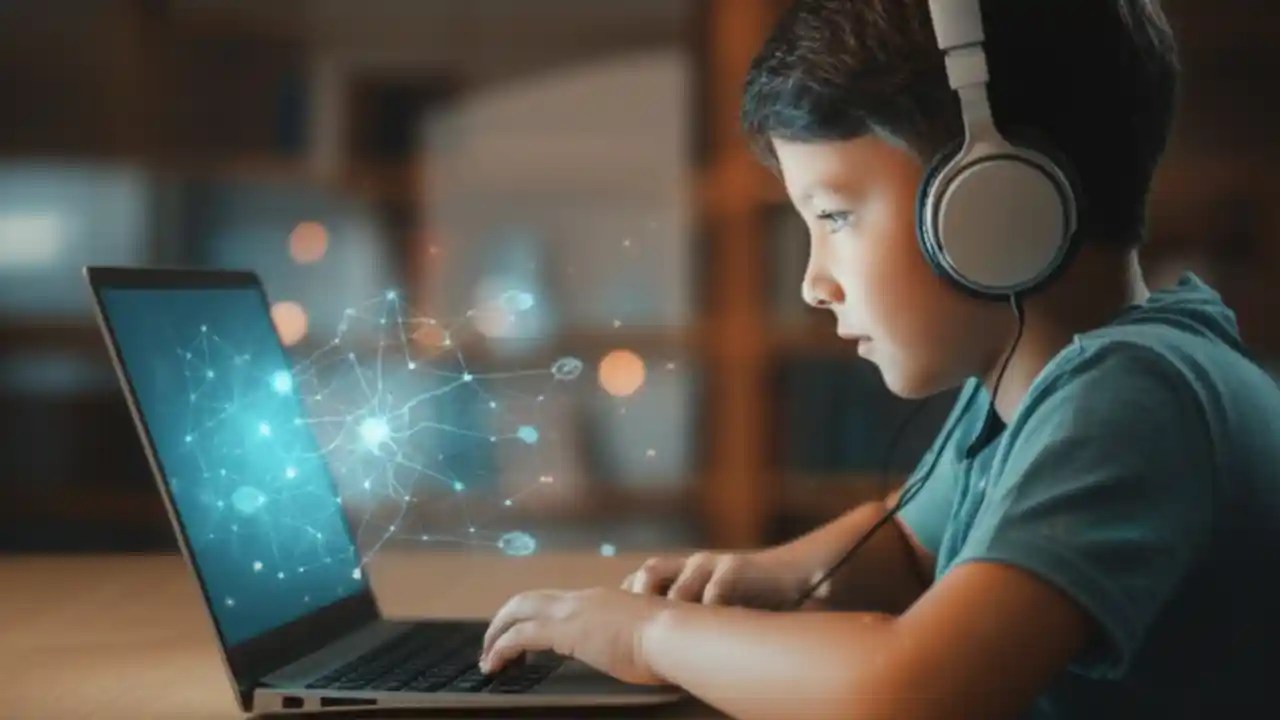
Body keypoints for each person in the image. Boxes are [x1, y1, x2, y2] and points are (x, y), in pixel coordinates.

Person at [478, 1, 1280, 717]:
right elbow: (906, 546)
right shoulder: (1040, 381)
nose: (812, 283)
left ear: (991, 203)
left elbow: (911, 691)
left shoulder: (1131, 397)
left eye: (834, 215)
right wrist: (756, 578)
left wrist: (651, 636)